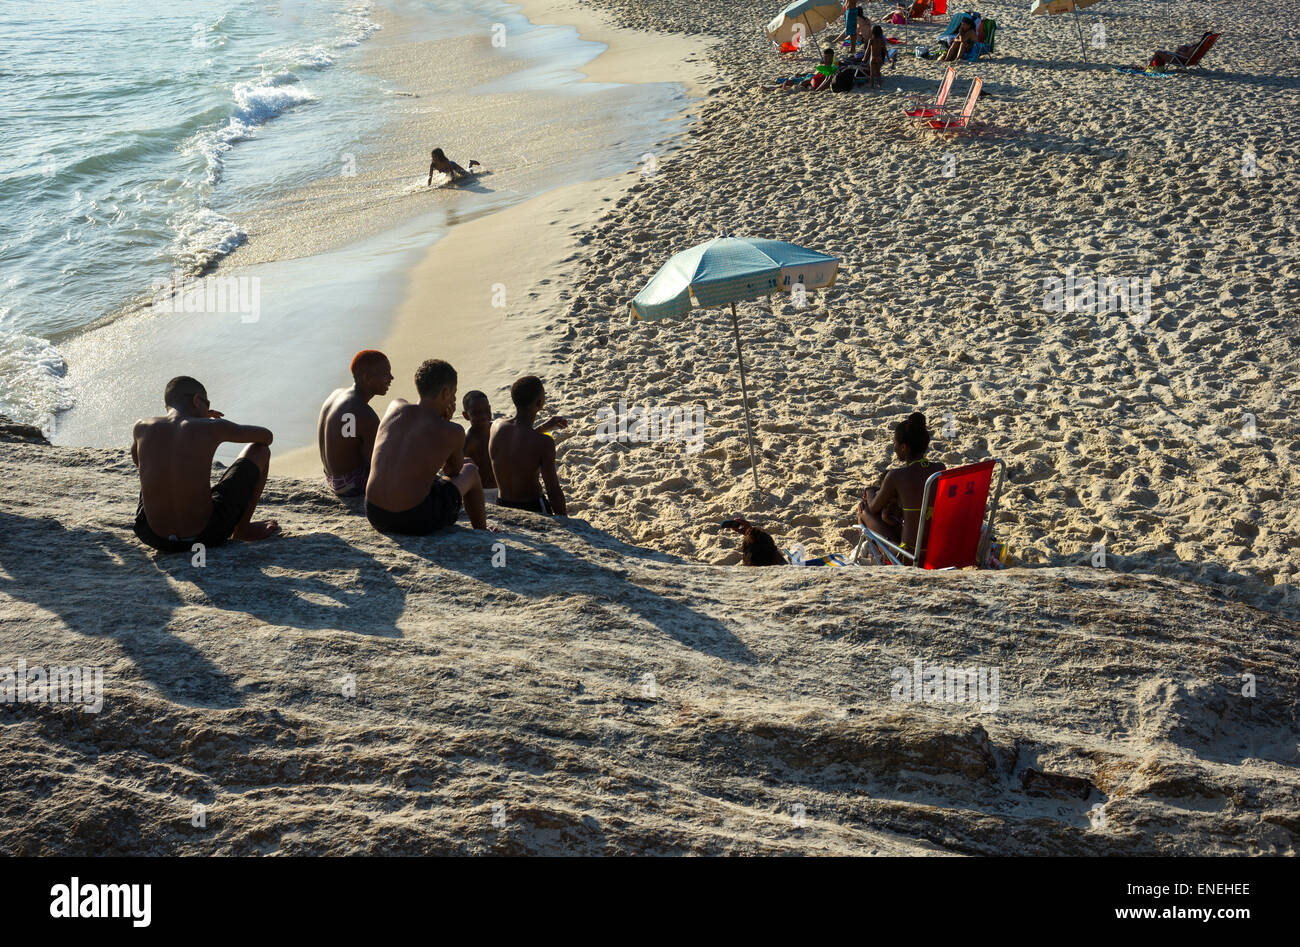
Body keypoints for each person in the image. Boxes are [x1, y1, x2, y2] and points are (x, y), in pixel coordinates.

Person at [131, 376, 278, 553]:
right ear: (197, 400)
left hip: (153, 536)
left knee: (155, 466)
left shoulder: (141, 426)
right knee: (260, 451)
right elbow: (266, 437)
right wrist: (216, 425)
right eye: (207, 403)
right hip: (206, 535)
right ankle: (243, 529)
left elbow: (138, 462)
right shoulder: (211, 427)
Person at [365, 359, 488, 533]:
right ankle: (483, 533)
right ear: (445, 393)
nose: (453, 399)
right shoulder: (452, 431)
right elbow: (452, 472)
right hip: (413, 518)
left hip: (375, 513)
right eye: (454, 393)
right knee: (472, 471)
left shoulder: (395, 406)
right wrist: (446, 422)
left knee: (462, 462)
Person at [853, 412, 946, 559]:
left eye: (895, 443)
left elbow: (873, 507)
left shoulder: (897, 476)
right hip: (937, 551)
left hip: (909, 557)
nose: (894, 447)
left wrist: (870, 491)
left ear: (903, 447)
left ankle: (872, 554)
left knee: (864, 510)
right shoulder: (939, 468)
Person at [488, 375, 568, 515]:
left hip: (502, 504)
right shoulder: (544, 443)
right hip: (533, 507)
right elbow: (553, 491)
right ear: (539, 403)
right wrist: (567, 524)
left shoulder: (496, 426)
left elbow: (519, 444)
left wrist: (544, 426)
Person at [316, 350, 392, 497]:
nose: (391, 378)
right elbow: (379, 465)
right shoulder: (363, 413)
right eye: (386, 374)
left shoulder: (336, 394)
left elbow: (347, 439)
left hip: (331, 478)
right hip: (350, 484)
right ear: (367, 378)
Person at [461, 389, 497, 503]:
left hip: (503, 487)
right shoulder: (468, 439)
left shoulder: (496, 429)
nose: (483, 415)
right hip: (483, 492)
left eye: (487, 410)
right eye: (476, 413)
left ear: (490, 408)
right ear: (466, 415)